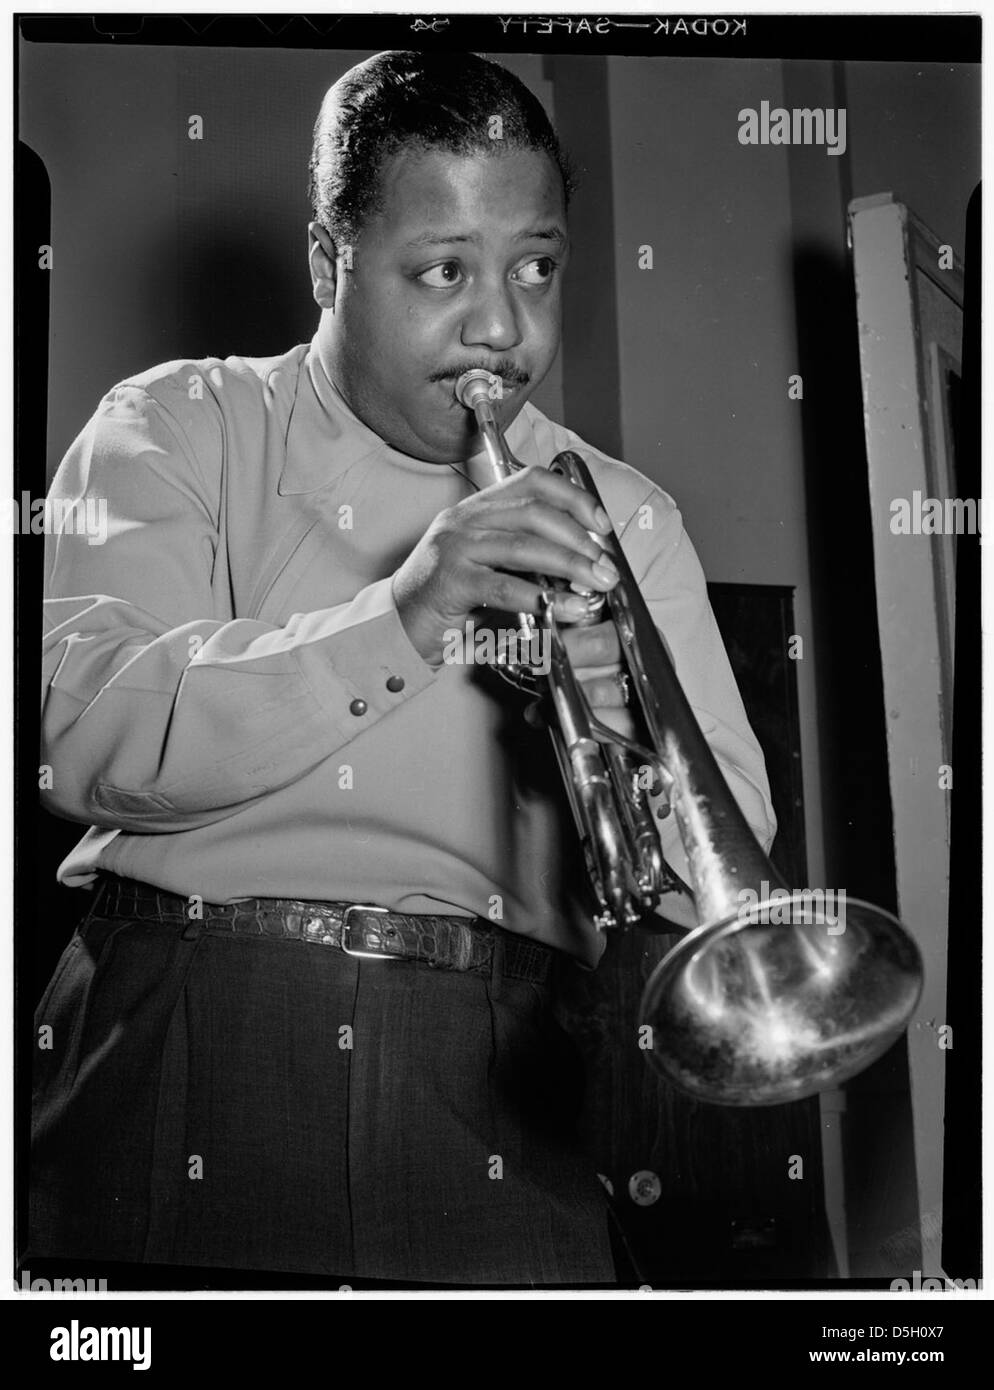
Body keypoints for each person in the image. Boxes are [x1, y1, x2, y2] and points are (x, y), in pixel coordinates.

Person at [29, 50, 776, 1287]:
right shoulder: (175, 425)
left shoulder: (624, 514)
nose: (501, 326)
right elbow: (77, 735)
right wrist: (409, 615)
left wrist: (618, 735)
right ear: (329, 264)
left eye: (536, 268)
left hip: (501, 1072)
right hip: (184, 1020)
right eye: (443, 271)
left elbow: (725, 866)